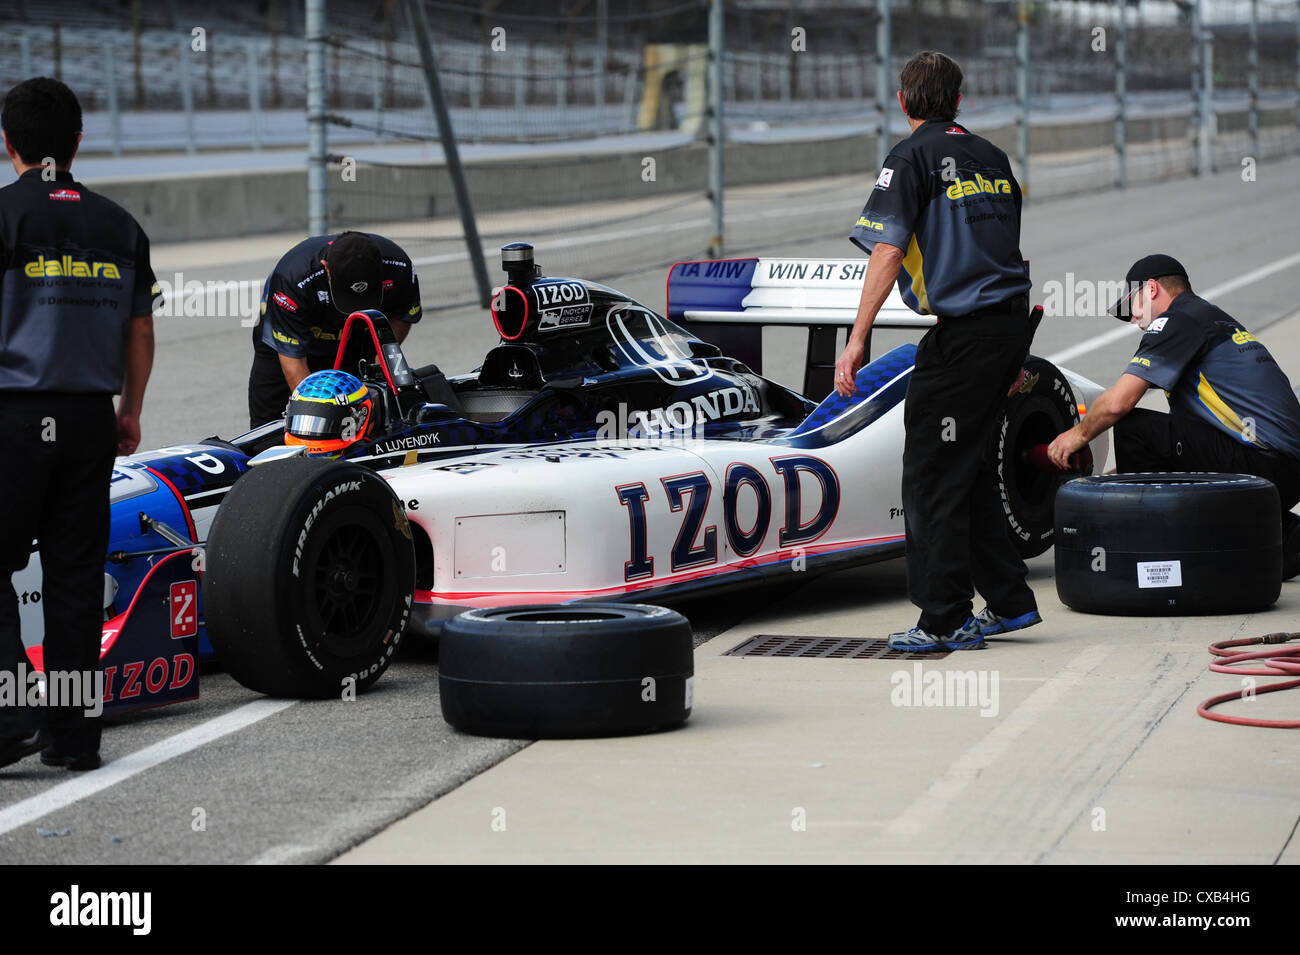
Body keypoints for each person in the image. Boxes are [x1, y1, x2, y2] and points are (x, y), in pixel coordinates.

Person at [833, 50, 1039, 652]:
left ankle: (945, 618)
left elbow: (888, 251)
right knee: (967, 464)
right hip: (1007, 329)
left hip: (966, 335)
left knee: (930, 473)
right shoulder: (994, 158)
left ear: (902, 102)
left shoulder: (910, 157)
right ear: (959, 100)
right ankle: (1010, 602)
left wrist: (857, 339)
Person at [0, 78, 156, 771]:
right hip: (92, 419)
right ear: (77, 144)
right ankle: (75, 738)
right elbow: (141, 326)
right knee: (73, 578)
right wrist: (131, 409)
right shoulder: (120, 225)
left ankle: (8, 718)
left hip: (15, 418)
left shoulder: (4, 215)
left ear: (9, 146)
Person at [1048, 253, 1300, 577]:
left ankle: (1143, 549)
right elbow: (1189, 436)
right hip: (1280, 472)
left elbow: (1117, 404)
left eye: (1133, 306)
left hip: (1263, 466)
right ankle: (1287, 538)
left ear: (1151, 289)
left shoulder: (1177, 321)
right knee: (1240, 557)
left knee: (1133, 427)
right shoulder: (1213, 318)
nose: (1134, 321)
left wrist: (1076, 436)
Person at [248, 231, 422, 428]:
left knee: (366, 420)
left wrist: (380, 360)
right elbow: (293, 363)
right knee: (272, 428)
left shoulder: (399, 266)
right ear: (326, 269)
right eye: (350, 296)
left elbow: (402, 315)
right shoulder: (293, 277)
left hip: (355, 336)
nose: (356, 303)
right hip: (289, 340)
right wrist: (320, 414)